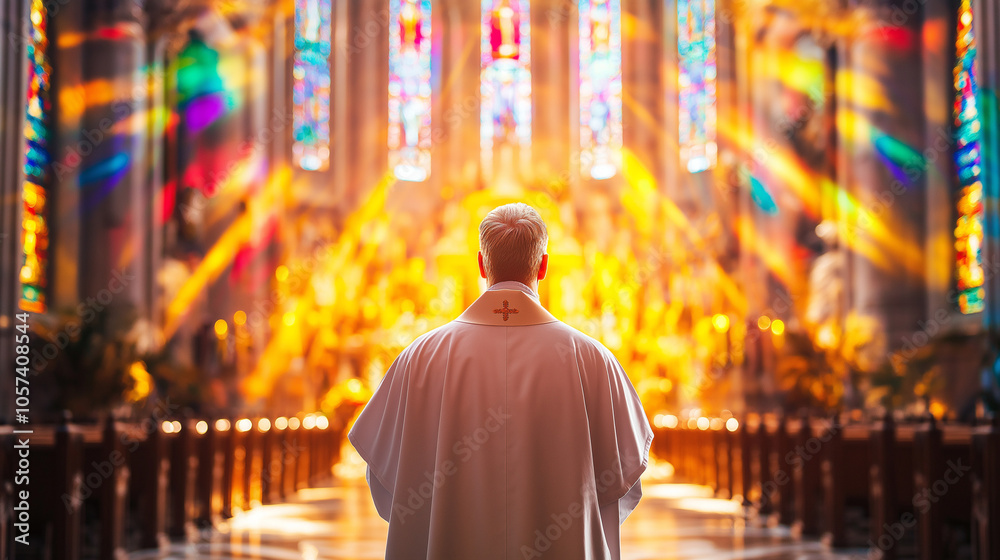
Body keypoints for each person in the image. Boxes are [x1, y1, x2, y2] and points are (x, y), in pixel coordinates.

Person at [348, 202, 653, 559]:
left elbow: (387, 484)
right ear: (543, 266)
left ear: (481, 264)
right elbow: (623, 483)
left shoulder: (420, 358)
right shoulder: (593, 359)